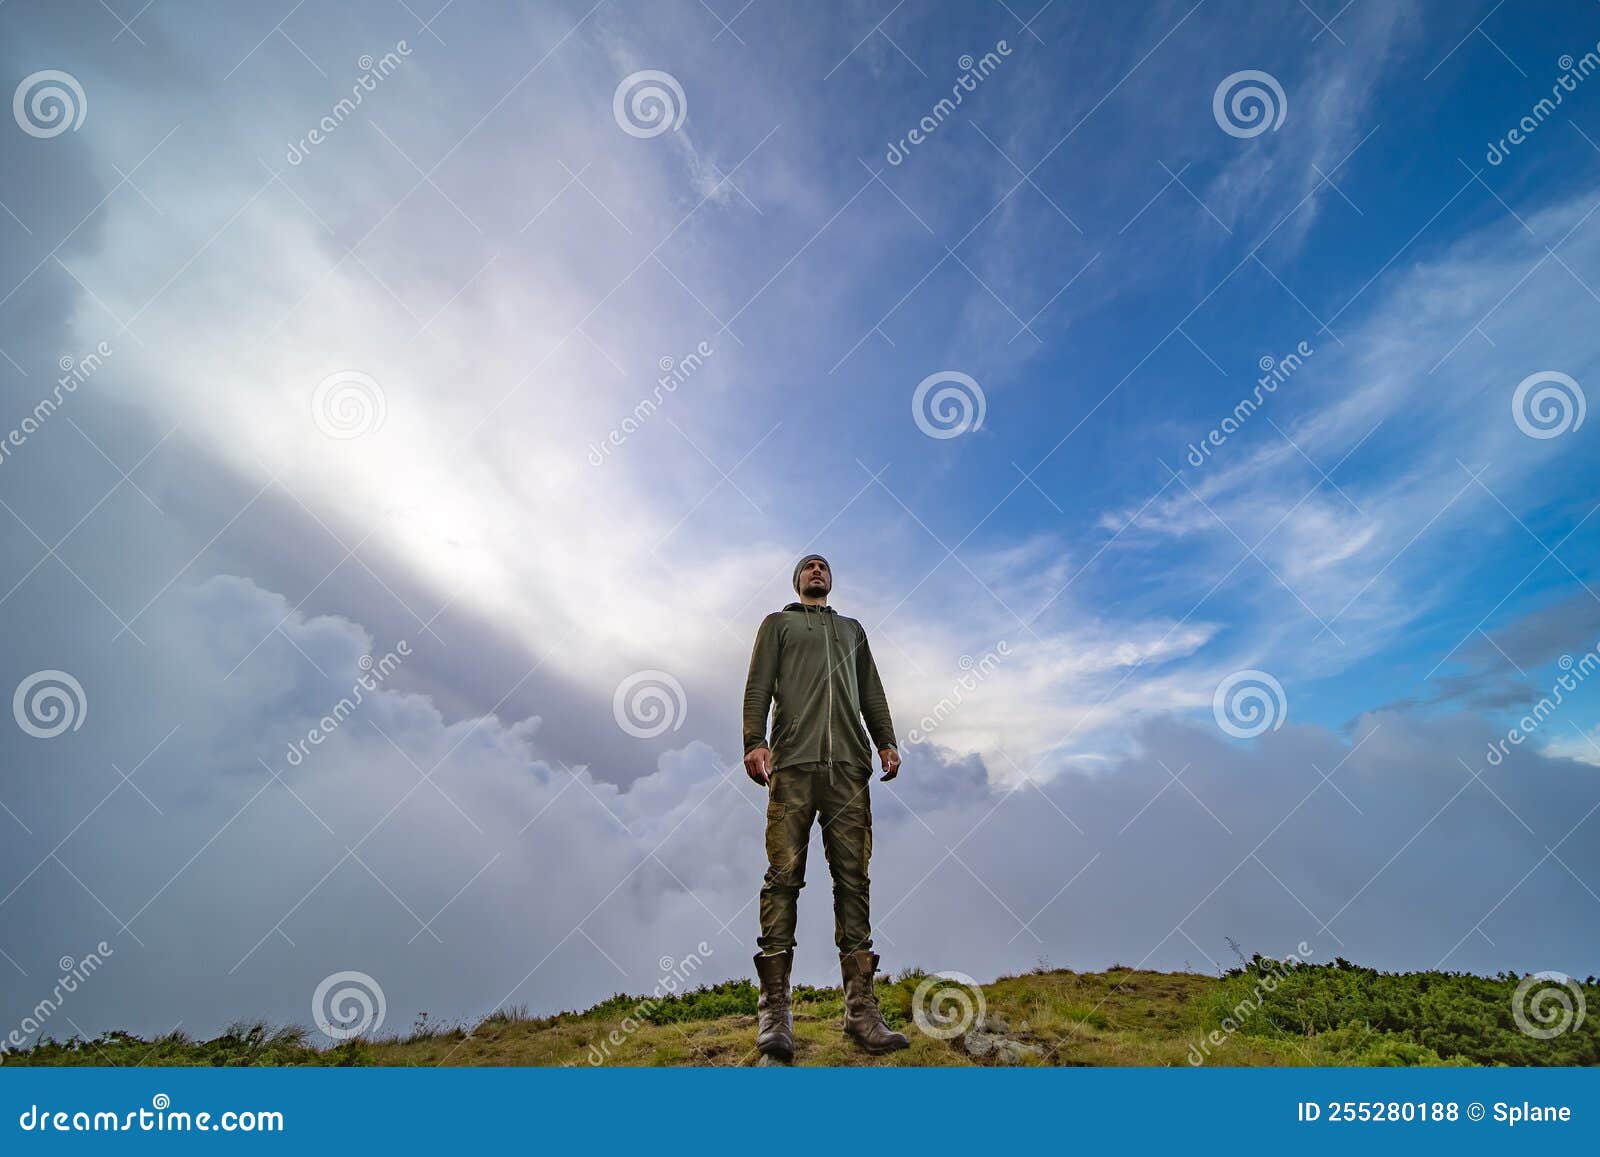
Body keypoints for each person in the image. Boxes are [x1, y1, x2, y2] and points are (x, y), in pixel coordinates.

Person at [741, 553, 908, 1060]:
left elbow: (872, 693)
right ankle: (775, 1011)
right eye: (809, 567)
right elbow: (758, 687)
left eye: (824, 567)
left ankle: (861, 1011)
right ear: (797, 580)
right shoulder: (778, 625)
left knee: (854, 881)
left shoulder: (853, 631)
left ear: (831, 581)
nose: (817, 571)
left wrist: (886, 741)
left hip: (849, 771)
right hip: (793, 765)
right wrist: (755, 740)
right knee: (783, 878)